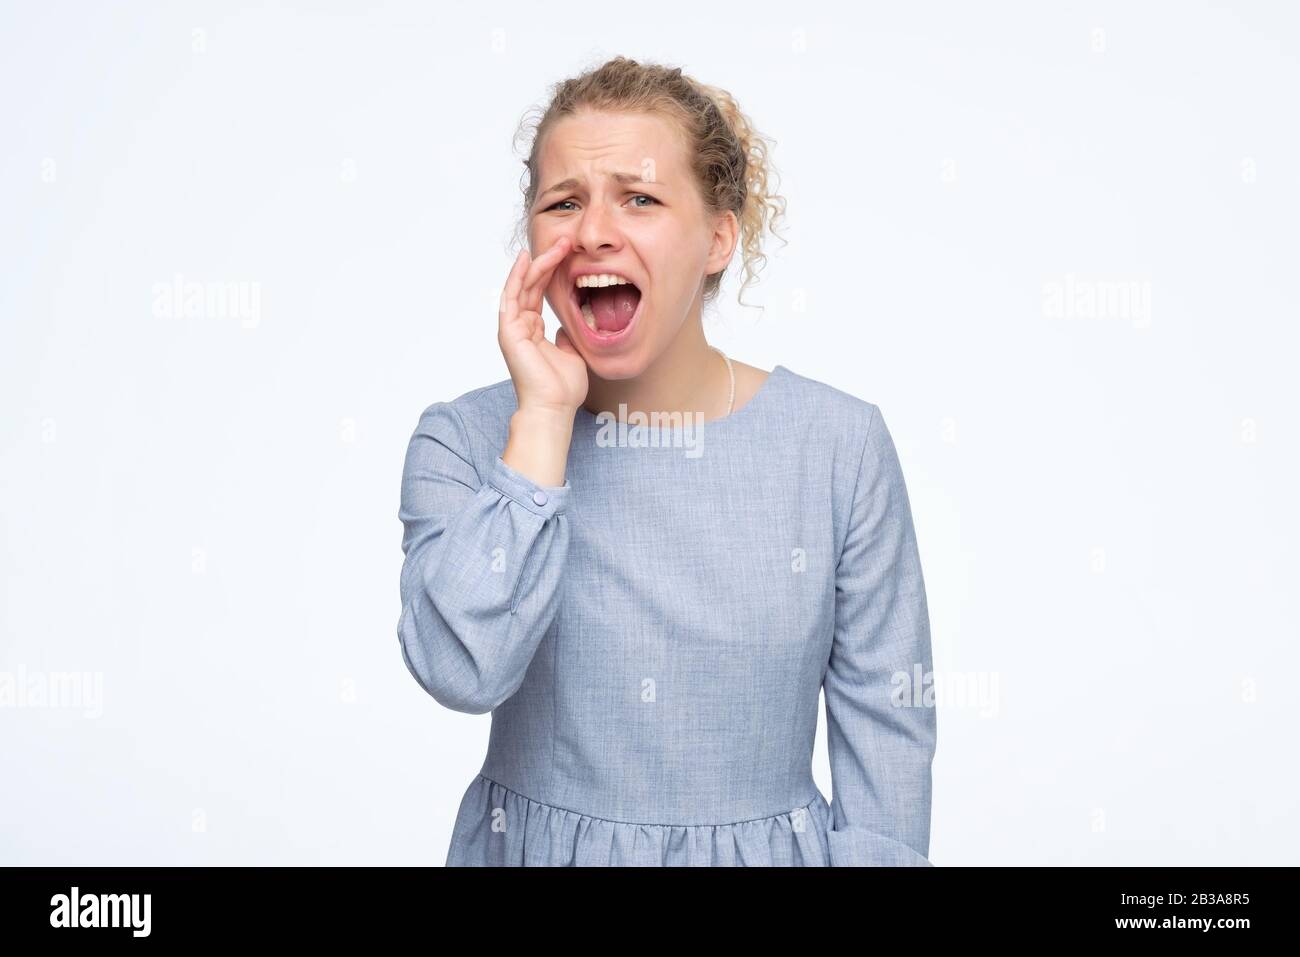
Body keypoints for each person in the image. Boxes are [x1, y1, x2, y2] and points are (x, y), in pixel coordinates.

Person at [396, 56, 937, 866]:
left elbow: (889, 752)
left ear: (719, 237)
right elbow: (459, 670)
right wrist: (543, 421)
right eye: (563, 202)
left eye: (640, 198)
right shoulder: (469, 442)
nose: (593, 232)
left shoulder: (837, 446)